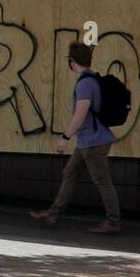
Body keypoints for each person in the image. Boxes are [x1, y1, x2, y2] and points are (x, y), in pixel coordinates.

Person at [30, 42, 121, 234]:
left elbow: (80, 113)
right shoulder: (90, 79)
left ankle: (113, 222)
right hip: (88, 141)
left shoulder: (85, 83)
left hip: (93, 141)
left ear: (72, 62)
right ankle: (53, 214)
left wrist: (65, 137)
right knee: (70, 173)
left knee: (102, 180)